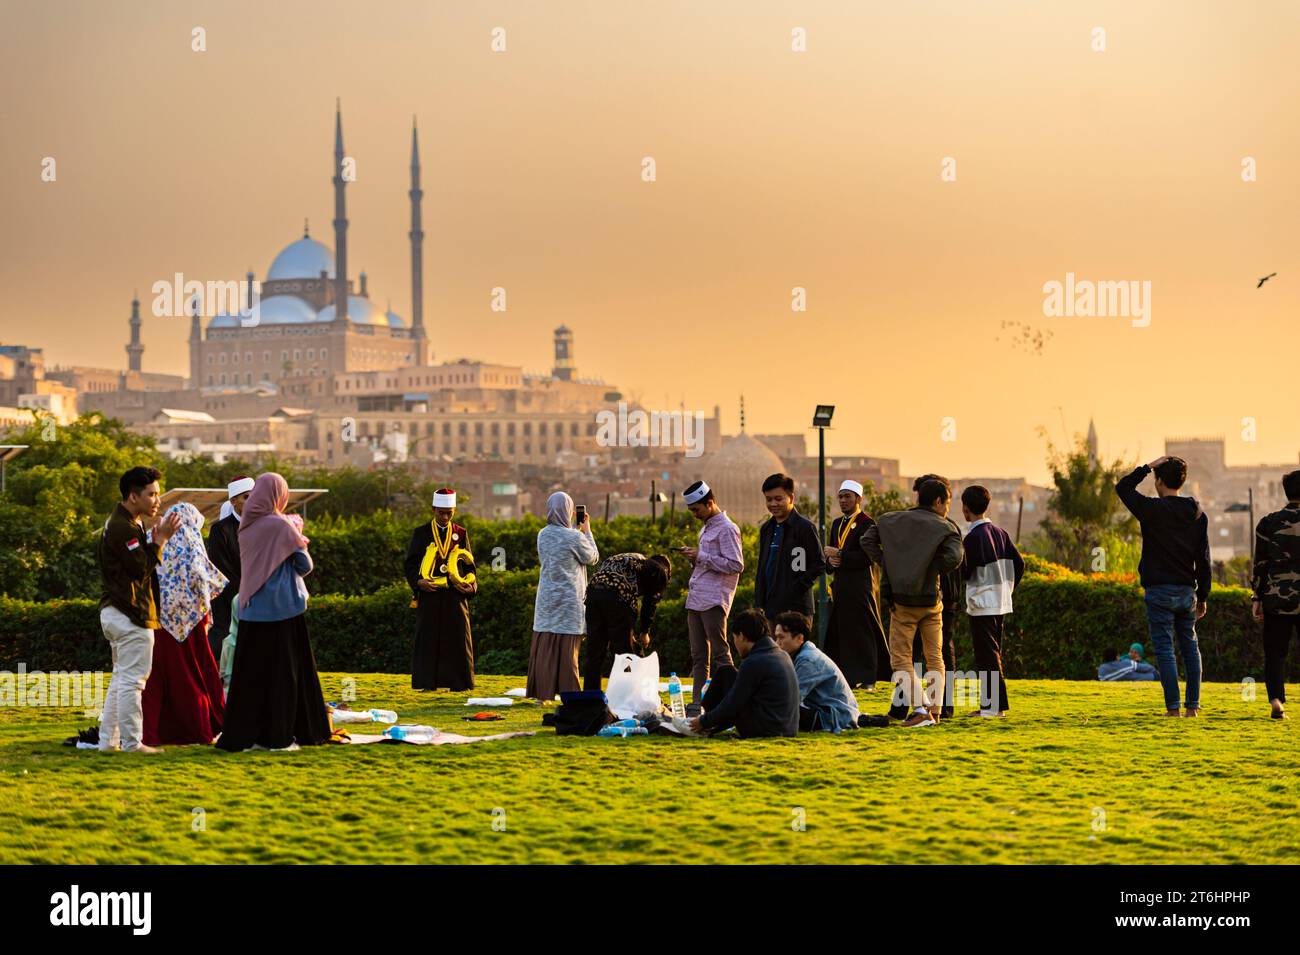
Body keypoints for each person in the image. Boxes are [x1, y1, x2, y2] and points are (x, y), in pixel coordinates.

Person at [217, 473, 330, 752]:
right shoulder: (280, 525)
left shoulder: (246, 526)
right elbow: (305, 565)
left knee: (251, 678)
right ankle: (279, 736)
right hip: (283, 610)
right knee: (284, 675)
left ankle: (249, 736)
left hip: (251, 609)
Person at [861, 478, 963, 728]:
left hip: (902, 601)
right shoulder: (945, 526)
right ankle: (934, 710)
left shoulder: (889, 520)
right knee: (935, 656)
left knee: (901, 659)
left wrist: (889, 563)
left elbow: (866, 541)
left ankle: (919, 709)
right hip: (931, 601)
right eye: (947, 503)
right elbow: (955, 556)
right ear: (939, 502)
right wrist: (931, 569)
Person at [1116, 456, 1211, 717]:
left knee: (1165, 649)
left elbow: (1123, 488)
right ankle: (1192, 707)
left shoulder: (1151, 509)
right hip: (1186, 590)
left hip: (1158, 590)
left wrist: (1146, 467)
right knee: (1191, 647)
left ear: (1158, 480)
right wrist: (1203, 595)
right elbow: (1203, 560)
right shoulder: (1198, 514)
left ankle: (1173, 709)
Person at [97, 466, 181, 754]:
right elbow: (139, 569)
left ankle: (107, 743)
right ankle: (133, 744)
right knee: (133, 682)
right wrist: (160, 540)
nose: (157, 500)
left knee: (121, 679)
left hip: (117, 612)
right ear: (133, 496)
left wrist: (151, 539)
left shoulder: (124, 522)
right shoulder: (123, 527)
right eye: (152, 494)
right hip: (129, 614)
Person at [142, 502, 228, 745]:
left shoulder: (154, 535)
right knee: (193, 673)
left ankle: (152, 730)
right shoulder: (191, 538)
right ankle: (197, 728)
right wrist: (205, 611)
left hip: (157, 618)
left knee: (158, 676)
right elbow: (203, 578)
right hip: (190, 620)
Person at [403, 487, 477, 692]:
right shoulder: (422, 533)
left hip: (455, 595)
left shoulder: (461, 533)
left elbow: (469, 566)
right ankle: (427, 683)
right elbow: (410, 564)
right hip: (430, 594)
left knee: (459, 638)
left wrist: (469, 586)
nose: (445, 517)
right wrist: (419, 582)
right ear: (433, 509)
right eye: (441, 513)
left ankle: (460, 684)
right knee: (428, 638)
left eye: (449, 513)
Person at [960, 485, 1024, 717]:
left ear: (965, 509)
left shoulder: (972, 539)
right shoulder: (1000, 532)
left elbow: (965, 572)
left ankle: (992, 708)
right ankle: (993, 706)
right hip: (1000, 603)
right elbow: (1020, 564)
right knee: (993, 654)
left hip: (981, 605)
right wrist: (1007, 588)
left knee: (986, 657)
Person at [528, 492, 599, 701]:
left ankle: (542, 694)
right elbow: (592, 557)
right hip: (569, 600)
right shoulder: (574, 537)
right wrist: (587, 531)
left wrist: (575, 532)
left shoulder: (542, 534)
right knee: (568, 652)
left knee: (545, 647)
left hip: (546, 600)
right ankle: (570, 693)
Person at [689, 608, 798, 738]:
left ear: (741, 635)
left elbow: (733, 703)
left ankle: (698, 723)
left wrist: (703, 722)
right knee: (726, 671)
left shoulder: (754, 661)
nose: (735, 643)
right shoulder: (782, 655)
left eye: (734, 638)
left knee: (727, 678)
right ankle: (705, 720)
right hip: (786, 728)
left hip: (766, 730)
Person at [681, 480, 744, 706]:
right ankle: (699, 702)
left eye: (696, 510)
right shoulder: (706, 527)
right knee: (699, 657)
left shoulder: (727, 528)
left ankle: (732, 701)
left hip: (714, 600)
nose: (695, 515)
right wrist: (694, 558)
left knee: (720, 654)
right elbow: (707, 562)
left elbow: (736, 565)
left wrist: (701, 557)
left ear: (710, 503)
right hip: (696, 598)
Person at [822, 479, 889, 690]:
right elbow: (831, 556)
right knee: (842, 633)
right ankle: (846, 676)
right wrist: (830, 561)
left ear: (858, 499)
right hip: (841, 587)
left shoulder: (867, 523)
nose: (843, 501)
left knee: (864, 632)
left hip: (860, 587)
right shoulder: (836, 524)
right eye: (840, 497)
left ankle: (869, 678)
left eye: (847, 496)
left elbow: (868, 557)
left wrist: (841, 556)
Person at [583, 552, 671, 691]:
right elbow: (650, 602)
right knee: (625, 651)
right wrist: (644, 631)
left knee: (595, 651)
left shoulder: (631, 558)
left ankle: (591, 699)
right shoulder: (658, 570)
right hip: (617, 594)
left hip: (593, 593)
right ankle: (628, 694)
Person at [1252, 468, 1300, 719]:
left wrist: (1257, 597)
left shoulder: (1269, 522)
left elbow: (1260, 564)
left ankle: (1276, 702)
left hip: (1276, 599)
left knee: (1275, 653)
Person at [753, 473, 825, 622]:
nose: (773, 504)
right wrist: (759, 603)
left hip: (797, 610)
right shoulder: (766, 529)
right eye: (769, 499)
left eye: (778, 499)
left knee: (794, 646)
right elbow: (762, 567)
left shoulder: (804, 527)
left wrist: (796, 588)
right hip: (770, 609)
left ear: (791, 498)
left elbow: (819, 563)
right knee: (774, 646)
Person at [773, 611, 860, 732]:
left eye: (781, 637)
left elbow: (792, 699)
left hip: (835, 718)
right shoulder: (800, 655)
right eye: (776, 637)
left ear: (799, 638)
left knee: (777, 710)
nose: (777, 643)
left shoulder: (808, 661)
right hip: (834, 713)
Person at [206, 476, 253, 660]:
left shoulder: (261, 525)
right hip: (228, 599)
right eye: (246, 497)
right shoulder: (220, 529)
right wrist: (245, 592)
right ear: (234, 501)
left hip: (255, 599)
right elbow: (222, 568)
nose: (252, 501)